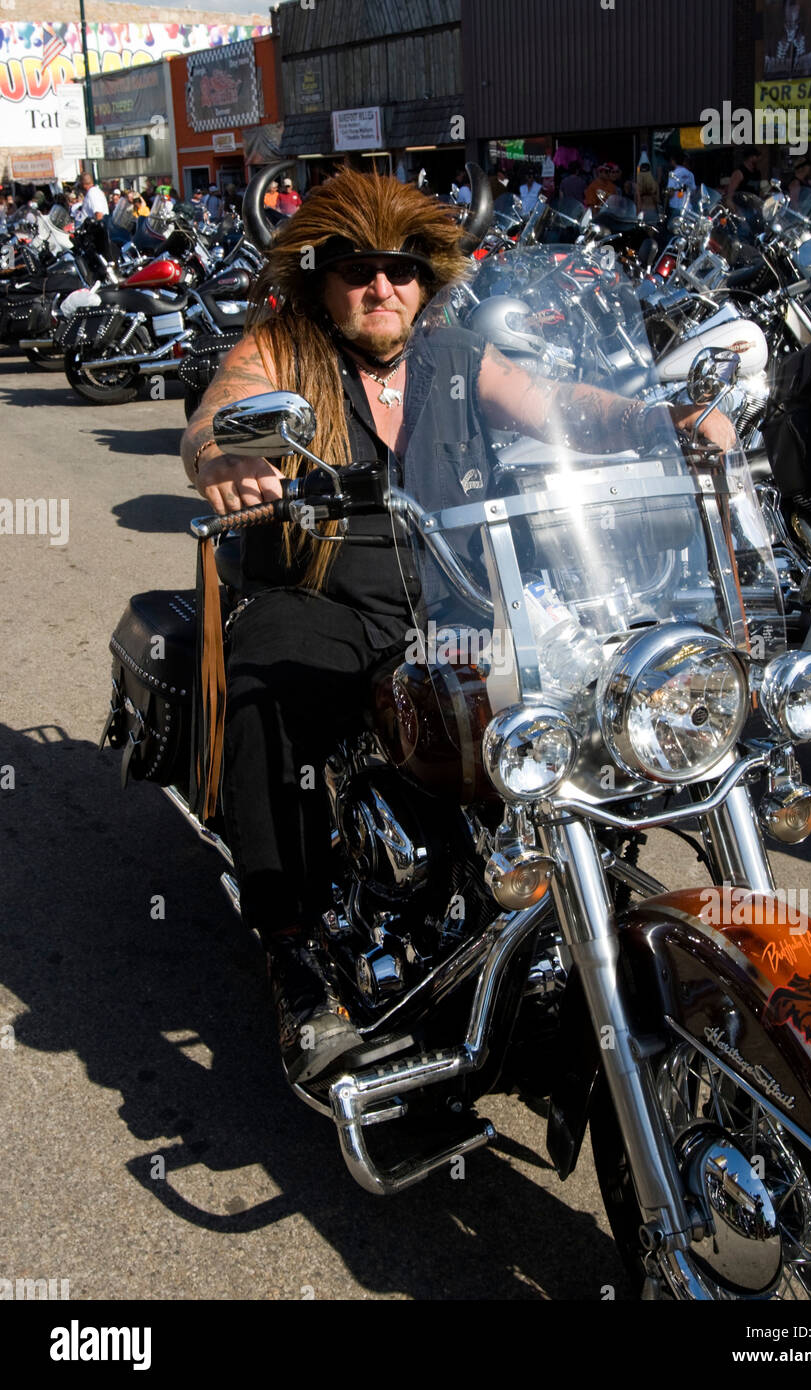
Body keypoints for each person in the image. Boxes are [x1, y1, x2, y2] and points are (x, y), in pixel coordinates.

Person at [179, 169, 735, 1086]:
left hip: (454, 605)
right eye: (357, 270)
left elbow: (561, 407)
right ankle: (292, 955)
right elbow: (211, 415)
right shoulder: (284, 350)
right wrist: (224, 453)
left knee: (587, 693)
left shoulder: (454, 356)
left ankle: (540, 895)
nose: (380, 288)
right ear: (322, 281)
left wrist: (659, 419)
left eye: (400, 270)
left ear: (427, 280)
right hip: (330, 603)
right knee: (266, 690)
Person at [666, 153, 696, 220]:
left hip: (675, 206)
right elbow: (693, 192)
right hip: (688, 207)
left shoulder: (673, 174)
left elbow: (671, 193)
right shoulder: (690, 174)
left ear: (673, 161)